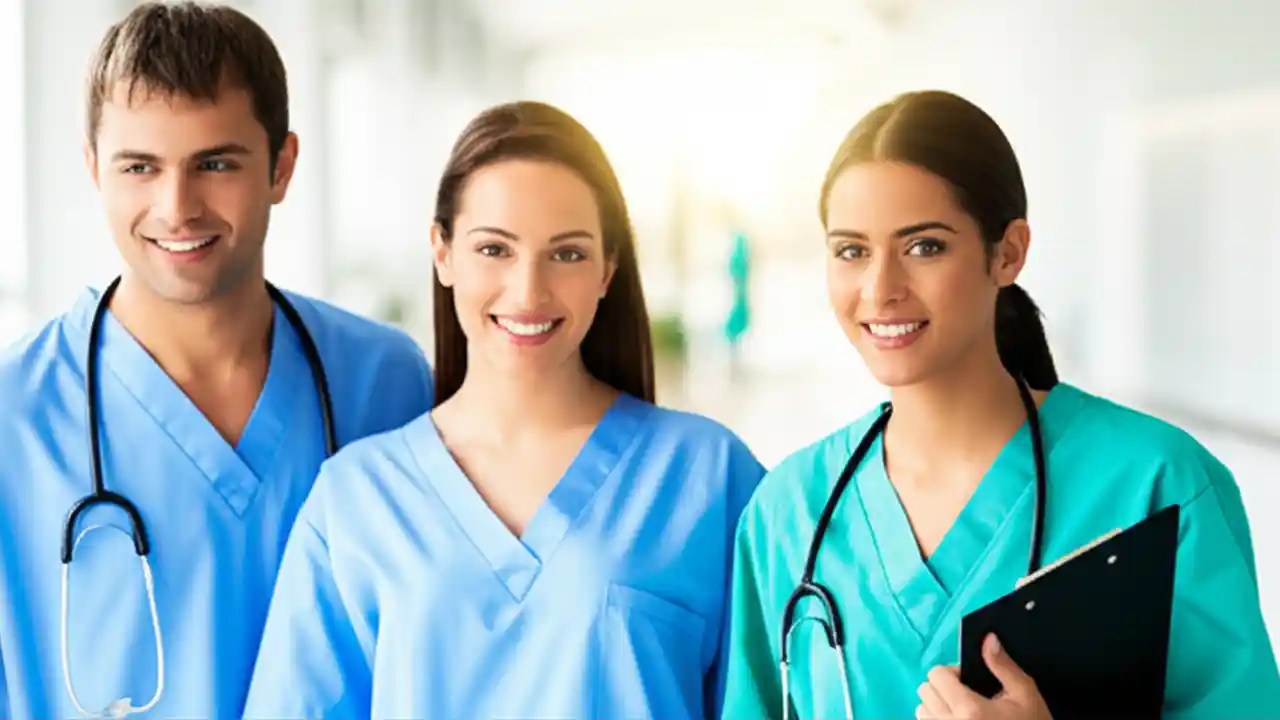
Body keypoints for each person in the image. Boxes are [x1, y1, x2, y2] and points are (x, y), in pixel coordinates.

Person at [721, 89, 1280, 719]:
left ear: (1008, 252)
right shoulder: (789, 511)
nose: (880, 289)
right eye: (852, 251)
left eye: (924, 246)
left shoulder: (1158, 483)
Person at [243, 100, 765, 719]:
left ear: (608, 268)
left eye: (567, 253)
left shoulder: (706, 475)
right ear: (443, 252)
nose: (528, 290)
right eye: (494, 250)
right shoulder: (356, 499)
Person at [0, 3, 433, 718]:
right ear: (92, 169)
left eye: (216, 163)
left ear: (282, 166)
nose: (178, 207)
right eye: (139, 166)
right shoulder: (17, 413)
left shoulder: (386, 382)